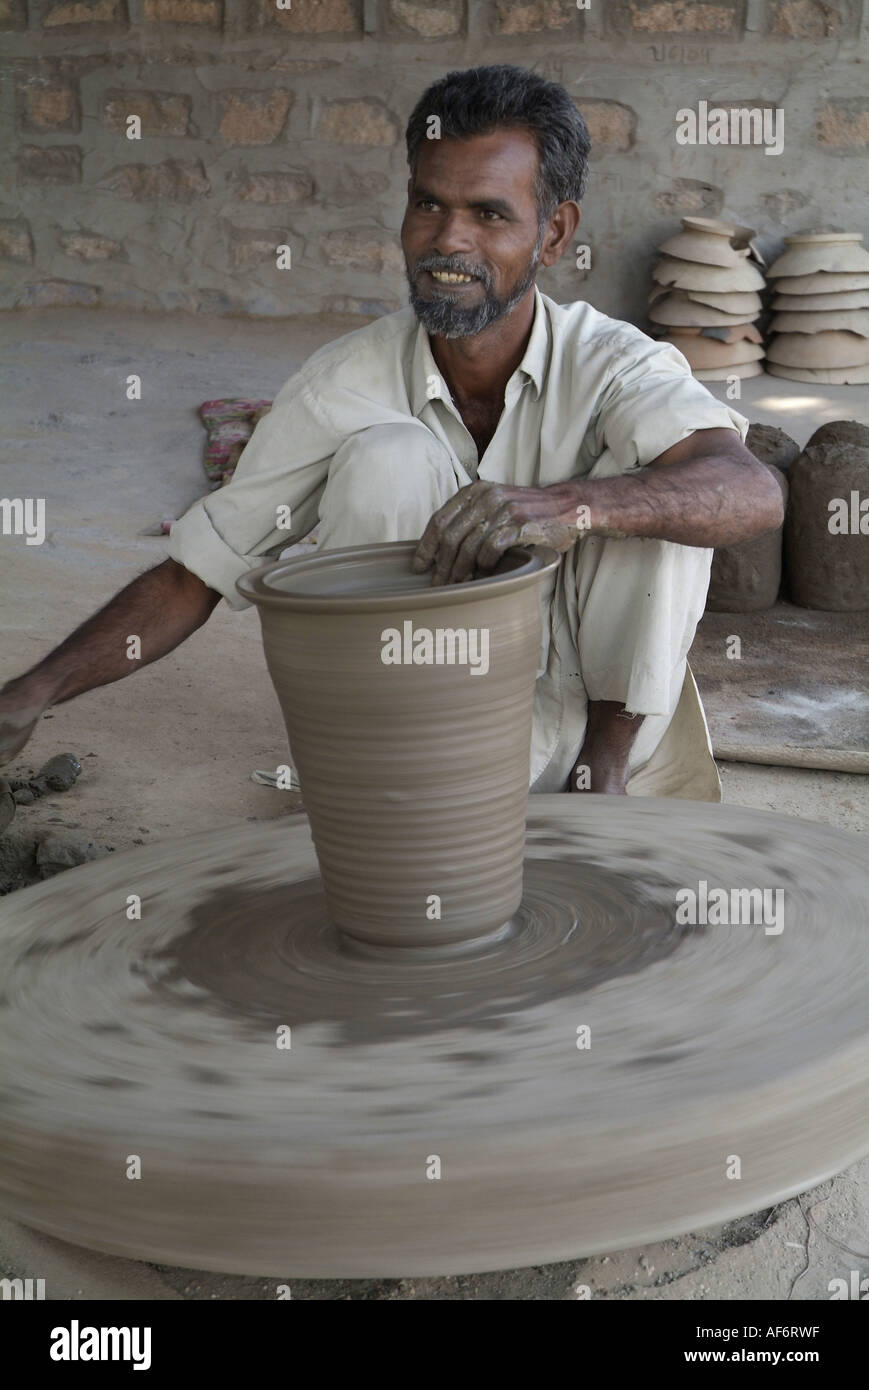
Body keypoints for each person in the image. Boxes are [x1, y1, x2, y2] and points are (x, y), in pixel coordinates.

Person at [0, 64, 782, 798]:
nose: (447, 241)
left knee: (658, 486)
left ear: (552, 233)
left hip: (582, 732)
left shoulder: (615, 363)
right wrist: (29, 694)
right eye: (428, 204)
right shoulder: (344, 381)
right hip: (417, 740)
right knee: (386, 455)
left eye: (488, 214)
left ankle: (599, 798)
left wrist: (571, 505)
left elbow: (751, 492)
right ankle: (392, 789)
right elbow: (197, 571)